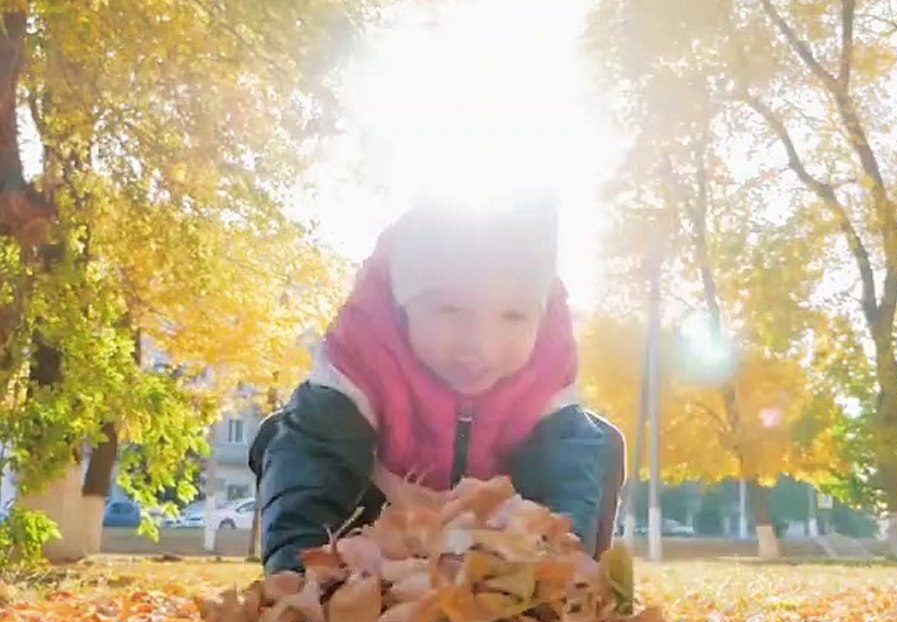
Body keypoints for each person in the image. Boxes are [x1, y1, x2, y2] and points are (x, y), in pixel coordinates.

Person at [247, 197, 619, 576]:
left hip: (495, 547)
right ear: (404, 304)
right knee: (284, 435)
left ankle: (572, 598)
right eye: (451, 311)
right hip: (377, 543)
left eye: (514, 316)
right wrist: (298, 577)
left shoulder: (545, 369)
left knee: (596, 442)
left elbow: (567, 476)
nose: (481, 346)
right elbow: (314, 457)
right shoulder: (363, 358)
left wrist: (559, 560)